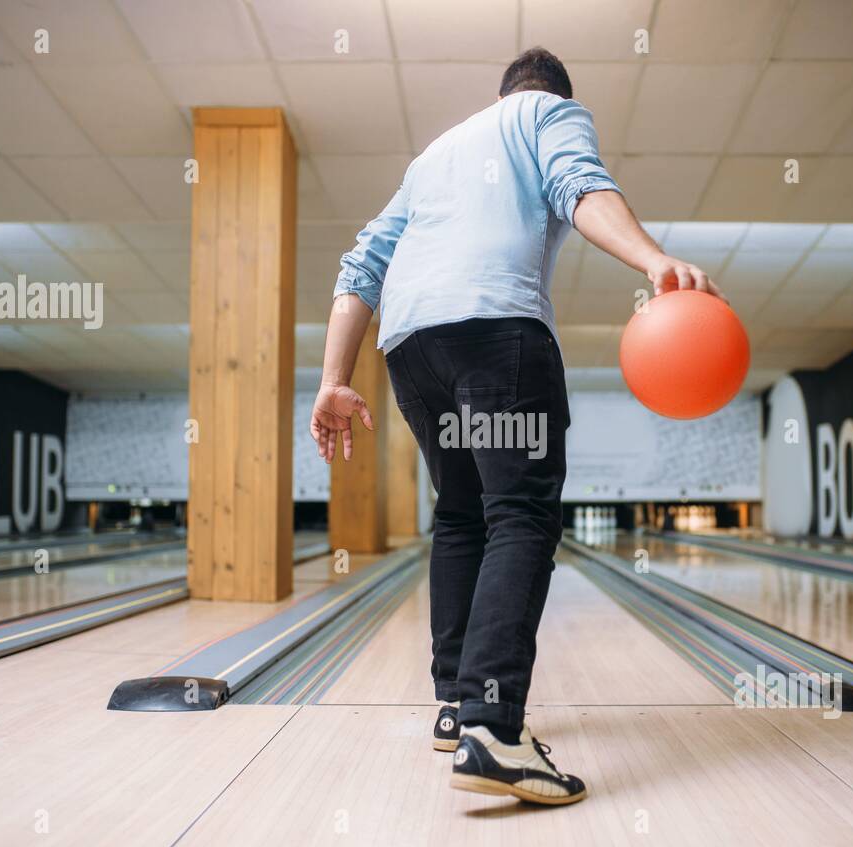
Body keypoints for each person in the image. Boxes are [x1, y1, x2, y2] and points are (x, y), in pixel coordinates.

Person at [310, 47, 724, 806]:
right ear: (550, 97)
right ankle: (494, 725)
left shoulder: (431, 157)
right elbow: (580, 187)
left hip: (413, 349)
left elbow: (360, 266)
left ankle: (454, 704)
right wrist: (652, 258)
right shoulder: (548, 113)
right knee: (522, 513)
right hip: (496, 337)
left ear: (497, 93)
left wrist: (334, 378)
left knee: (463, 513)